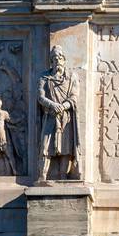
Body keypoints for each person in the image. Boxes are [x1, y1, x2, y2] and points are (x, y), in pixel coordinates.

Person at [38, 46, 79, 181]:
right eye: (54, 58)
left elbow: (74, 96)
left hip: (65, 117)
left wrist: (63, 106)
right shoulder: (44, 77)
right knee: (45, 147)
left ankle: (63, 175)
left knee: (66, 147)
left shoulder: (72, 76)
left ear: (64, 60)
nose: (57, 61)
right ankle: (42, 176)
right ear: (51, 61)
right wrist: (53, 105)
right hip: (50, 116)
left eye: (59, 58)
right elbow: (40, 97)